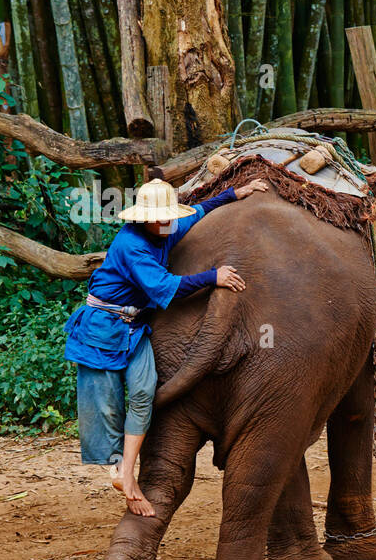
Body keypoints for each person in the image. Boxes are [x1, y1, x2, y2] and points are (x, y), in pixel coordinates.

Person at [63, 177, 269, 515]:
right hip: (102, 326)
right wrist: (212, 277)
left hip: (135, 327)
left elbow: (200, 210)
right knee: (107, 404)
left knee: (144, 391)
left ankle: (127, 473)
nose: (169, 222)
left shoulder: (166, 226)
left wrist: (234, 194)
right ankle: (120, 471)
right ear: (145, 218)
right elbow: (164, 288)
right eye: (162, 217)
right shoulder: (132, 246)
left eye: (170, 216)